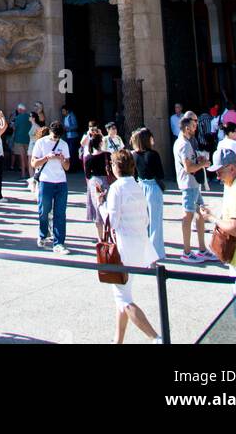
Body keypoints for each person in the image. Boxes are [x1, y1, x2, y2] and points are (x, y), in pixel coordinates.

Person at [98, 149, 160, 344]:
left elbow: (113, 221)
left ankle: (157, 337)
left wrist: (101, 205)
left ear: (116, 167)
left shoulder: (117, 188)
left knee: (124, 299)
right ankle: (118, 340)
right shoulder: (137, 186)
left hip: (123, 247)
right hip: (140, 244)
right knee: (123, 294)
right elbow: (146, 217)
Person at [174, 112, 211, 262]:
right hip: (189, 184)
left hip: (194, 184)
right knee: (188, 215)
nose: (196, 127)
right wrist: (203, 164)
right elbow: (189, 168)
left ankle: (202, 249)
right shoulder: (183, 144)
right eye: (194, 124)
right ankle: (187, 252)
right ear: (187, 127)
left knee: (200, 214)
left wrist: (199, 159)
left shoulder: (188, 142)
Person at [31, 119, 70, 253]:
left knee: (60, 213)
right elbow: (34, 163)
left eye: (58, 137)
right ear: (50, 132)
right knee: (44, 211)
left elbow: (67, 166)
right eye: (54, 136)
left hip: (60, 181)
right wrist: (46, 157)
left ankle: (59, 242)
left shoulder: (64, 144)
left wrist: (62, 159)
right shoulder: (41, 143)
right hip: (45, 181)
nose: (56, 139)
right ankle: (43, 234)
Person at [130, 127, 166, 260]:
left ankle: (143, 251)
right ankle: (155, 253)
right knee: (155, 222)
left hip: (140, 186)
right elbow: (160, 174)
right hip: (152, 186)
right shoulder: (153, 154)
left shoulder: (134, 155)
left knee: (143, 221)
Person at [83, 131, 113, 239]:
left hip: (94, 183)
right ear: (101, 142)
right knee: (108, 209)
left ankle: (100, 238)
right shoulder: (107, 155)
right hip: (106, 182)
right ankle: (109, 235)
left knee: (97, 212)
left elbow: (87, 174)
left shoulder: (88, 157)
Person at [10, 104, 31, 178]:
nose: (18, 111)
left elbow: (14, 128)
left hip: (19, 139)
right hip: (28, 139)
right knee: (28, 157)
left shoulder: (18, 117)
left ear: (20, 110)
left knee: (22, 157)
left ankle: (23, 174)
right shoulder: (29, 117)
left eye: (18, 109)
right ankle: (29, 173)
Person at [61, 106, 79, 172]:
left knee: (72, 153)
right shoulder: (65, 117)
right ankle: (69, 168)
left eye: (63, 111)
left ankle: (73, 168)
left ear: (67, 111)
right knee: (68, 153)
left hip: (73, 136)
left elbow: (75, 126)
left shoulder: (72, 116)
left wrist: (68, 129)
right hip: (67, 137)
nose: (62, 113)